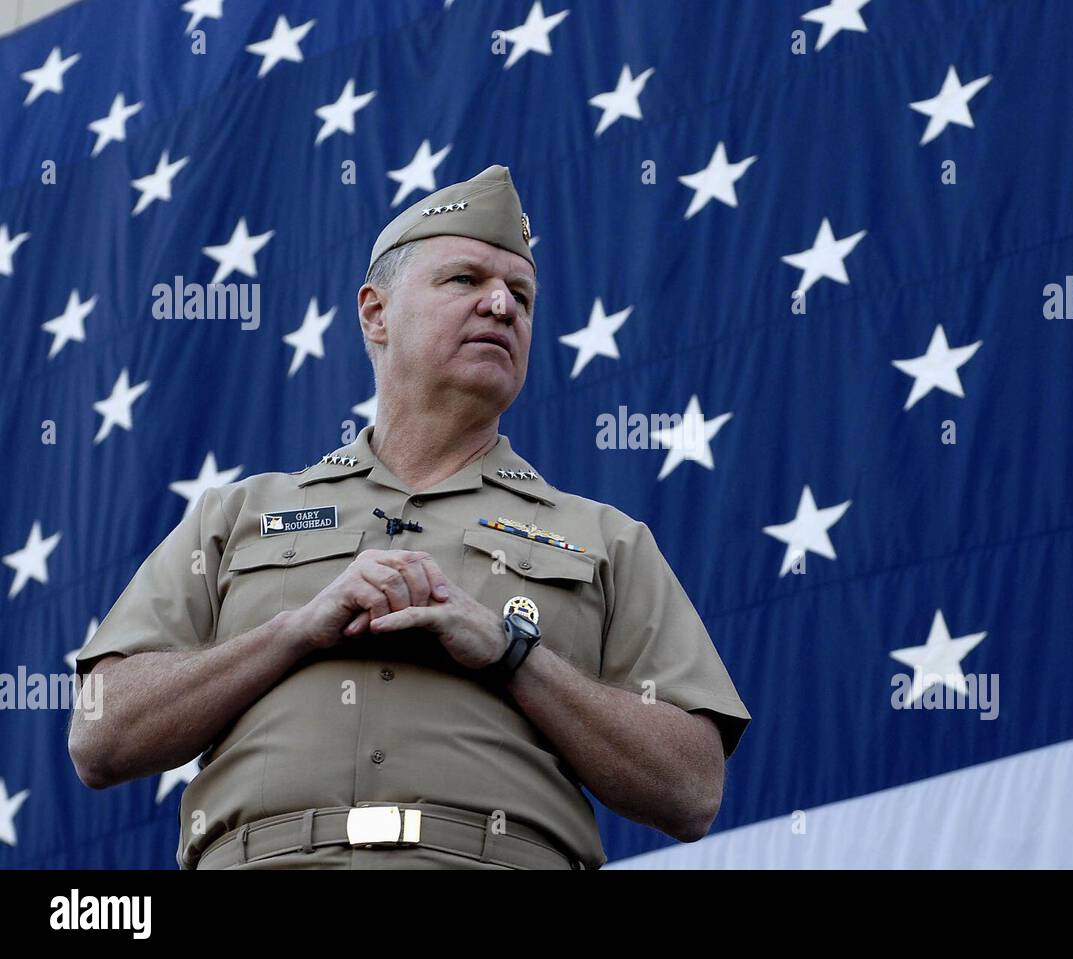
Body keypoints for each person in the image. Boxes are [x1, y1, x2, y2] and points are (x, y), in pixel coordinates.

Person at [68, 164, 751, 870]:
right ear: (375, 312)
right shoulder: (240, 513)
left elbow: (692, 788)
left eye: (521, 293)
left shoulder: (607, 539)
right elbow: (99, 734)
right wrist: (297, 629)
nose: (501, 307)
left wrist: (510, 651)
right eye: (465, 280)